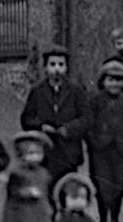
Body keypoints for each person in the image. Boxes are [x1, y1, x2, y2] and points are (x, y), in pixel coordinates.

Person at [20, 45, 90, 190]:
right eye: (52, 64)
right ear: (45, 67)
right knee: (46, 190)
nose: (57, 69)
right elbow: (26, 118)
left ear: (66, 67)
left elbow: (86, 118)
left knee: (68, 189)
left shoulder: (76, 91)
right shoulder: (37, 91)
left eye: (61, 64)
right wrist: (40, 126)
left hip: (68, 152)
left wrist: (69, 129)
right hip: (45, 152)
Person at [87, 58, 123, 222]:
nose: (114, 84)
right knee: (102, 187)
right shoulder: (95, 100)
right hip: (100, 150)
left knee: (118, 187)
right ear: (103, 81)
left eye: (119, 80)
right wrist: (93, 141)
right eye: (110, 79)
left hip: (120, 151)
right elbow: (89, 123)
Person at [2, 130, 53, 222]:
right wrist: (26, 192)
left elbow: (47, 190)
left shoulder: (43, 172)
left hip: (38, 210)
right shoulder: (16, 173)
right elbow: (12, 191)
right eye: (30, 153)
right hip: (20, 211)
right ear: (22, 156)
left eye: (38, 153)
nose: (35, 157)